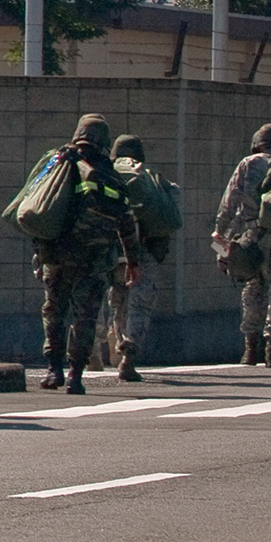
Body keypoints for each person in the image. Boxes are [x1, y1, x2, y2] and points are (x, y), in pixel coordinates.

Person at [31, 115, 139, 395]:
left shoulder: (58, 162)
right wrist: (133, 262)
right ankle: (75, 376)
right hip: (94, 261)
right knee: (85, 318)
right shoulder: (112, 174)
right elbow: (126, 224)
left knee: (54, 312)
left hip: (55, 256)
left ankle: (53, 369)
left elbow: (34, 196)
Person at [212, 122, 271, 368]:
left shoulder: (248, 163)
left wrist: (221, 250)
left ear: (258, 143)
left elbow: (227, 208)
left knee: (253, 290)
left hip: (251, 236)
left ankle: (250, 348)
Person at [104, 132, 172, 380]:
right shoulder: (148, 176)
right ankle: (129, 355)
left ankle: (117, 347)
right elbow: (171, 206)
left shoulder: (104, 172)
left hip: (110, 251)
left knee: (117, 302)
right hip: (142, 251)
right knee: (139, 305)